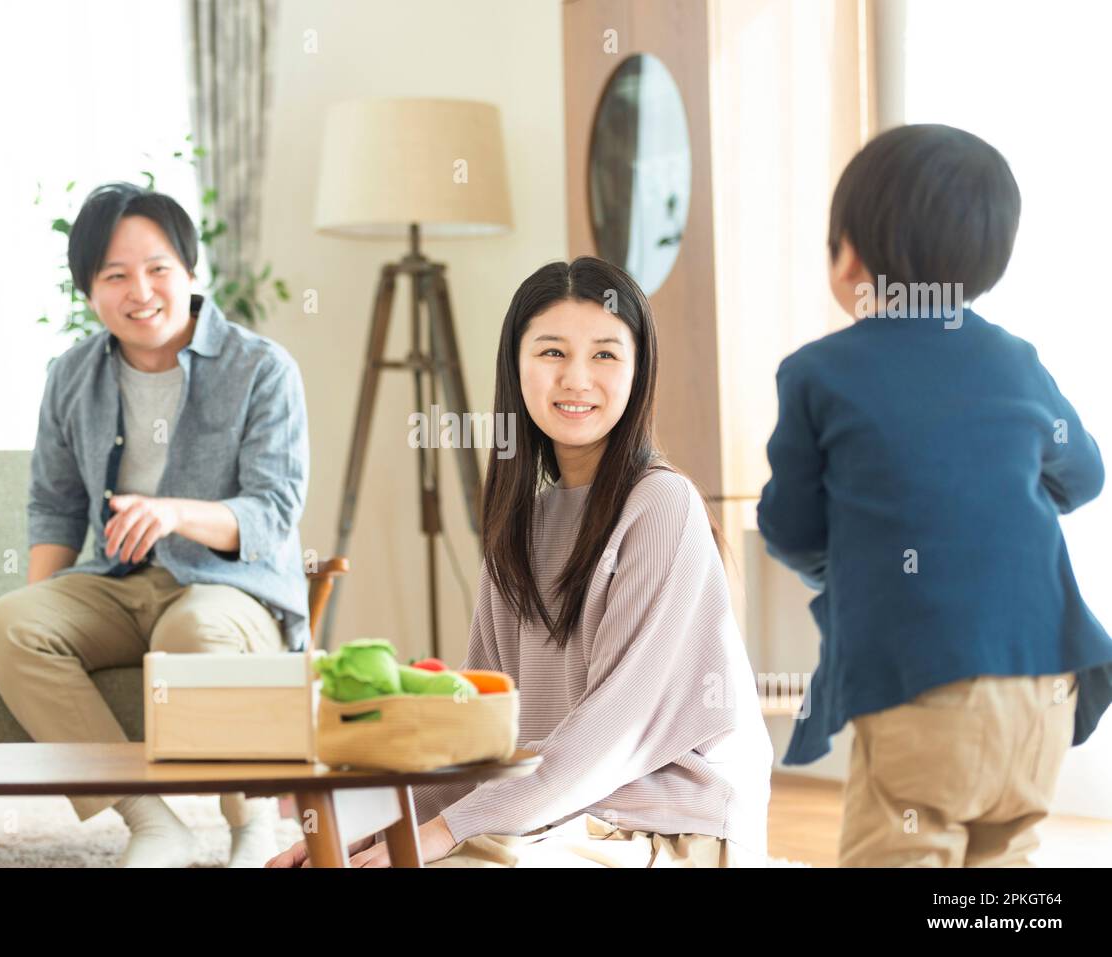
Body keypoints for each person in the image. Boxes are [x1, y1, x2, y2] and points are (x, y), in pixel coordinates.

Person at [269, 256, 773, 868]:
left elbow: (612, 732)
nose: (577, 379)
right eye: (553, 353)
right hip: (556, 817)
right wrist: (380, 829)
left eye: (606, 355)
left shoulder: (663, 505)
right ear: (516, 366)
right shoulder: (522, 522)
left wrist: (443, 833)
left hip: (667, 827)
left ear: (639, 372)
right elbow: (482, 729)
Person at [758, 124, 1112, 866]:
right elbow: (1082, 476)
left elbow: (787, 525)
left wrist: (846, 560)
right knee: (1002, 866)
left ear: (849, 254)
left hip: (926, 684)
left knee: (902, 849)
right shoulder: (1015, 361)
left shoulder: (820, 373)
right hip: (1047, 681)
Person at [0, 182, 310, 867]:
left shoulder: (262, 368)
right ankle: (151, 820)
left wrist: (174, 513)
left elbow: (273, 512)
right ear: (87, 291)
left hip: (232, 586)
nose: (142, 290)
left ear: (191, 273)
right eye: (115, 275)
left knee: (190, 628)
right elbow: (56, 504)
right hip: (118, 583)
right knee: (5, 623)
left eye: (159, 269)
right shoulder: (70, 375)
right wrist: (41, 605)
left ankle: (252, 825)